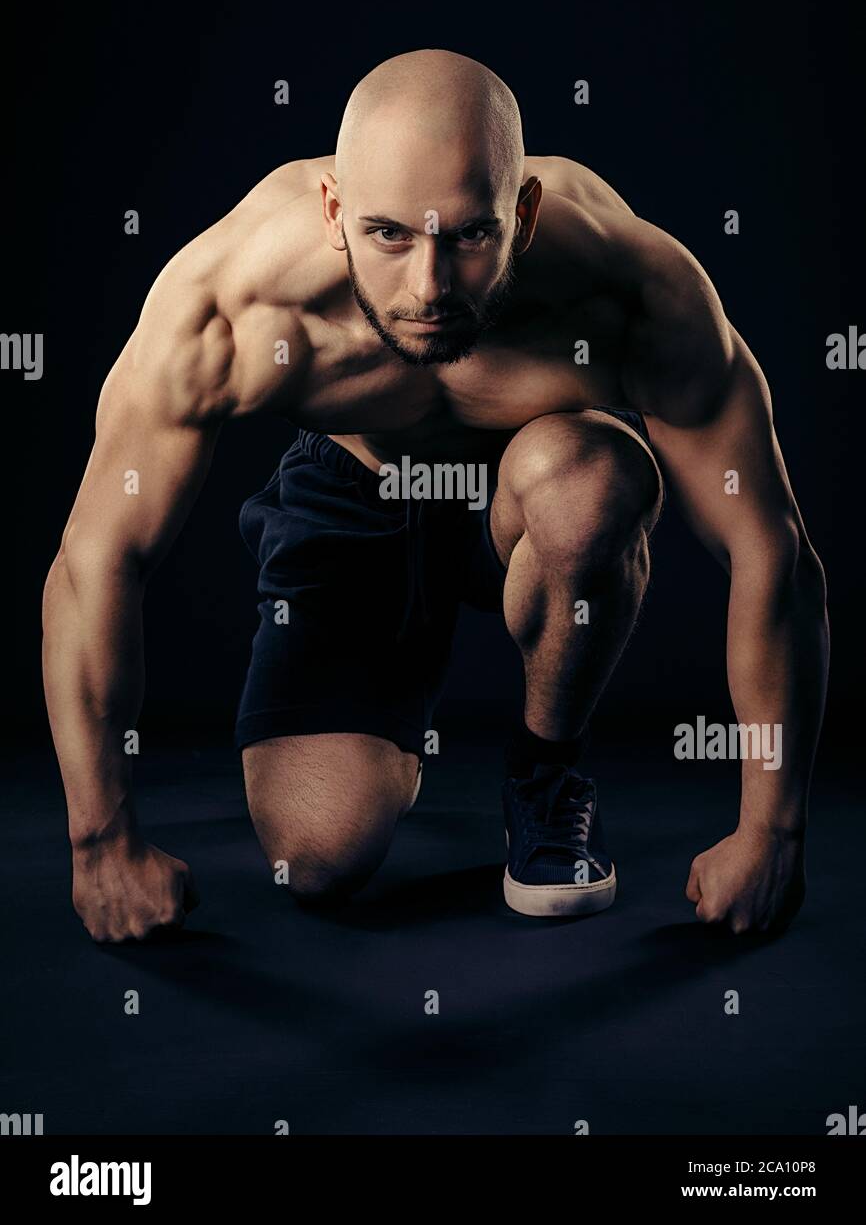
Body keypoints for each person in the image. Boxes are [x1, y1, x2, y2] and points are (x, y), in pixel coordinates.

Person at [42, 49, 828, 942]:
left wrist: (773, 830)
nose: (428, 288)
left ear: (523, 214)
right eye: (389, 235)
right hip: (351, 497)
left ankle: (544, 775)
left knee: (593, 478)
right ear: (333, 209)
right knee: (320, 861)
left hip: (525, 493)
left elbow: (772, 550)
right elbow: (96, 559)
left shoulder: (630, 291)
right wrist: (100, 840)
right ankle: (382, 705)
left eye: (468, 237)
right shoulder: (234, 306)